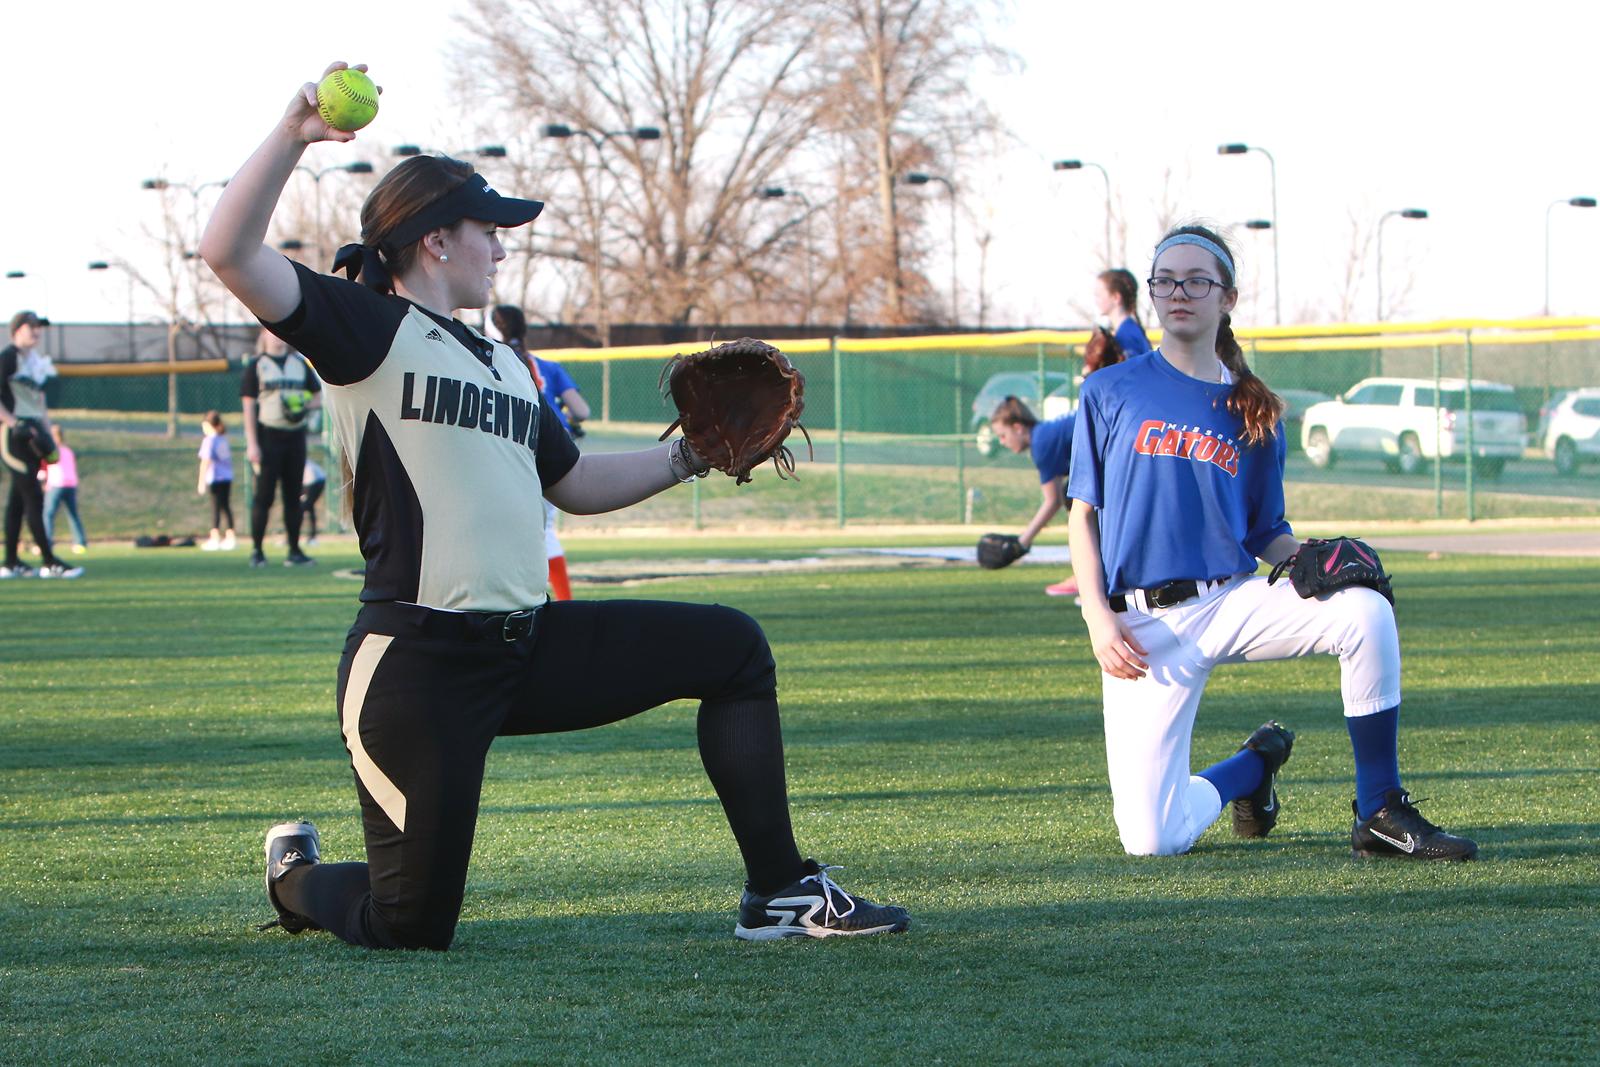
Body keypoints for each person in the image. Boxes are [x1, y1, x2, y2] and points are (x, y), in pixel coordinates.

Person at [198, 62, 908, 950]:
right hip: (416, 667)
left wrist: (690, 455)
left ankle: (780, 891)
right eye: (488, 228)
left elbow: (571, 484)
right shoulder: (366, 330)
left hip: (526, 644)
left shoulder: (502, 362)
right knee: (410, 922)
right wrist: (293, 134)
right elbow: (227, 251)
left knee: (732, 649)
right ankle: (296, 876)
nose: (502, 245)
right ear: (434, 242)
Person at [1066, 223, 1478, 861]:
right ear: (1151, 293)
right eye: (1166, 280)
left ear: (1227, 297)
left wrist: (1312, 561)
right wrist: (1096, 615)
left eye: (1198, 280)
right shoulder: (1108, 390)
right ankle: (1252, 768)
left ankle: (1379, 810)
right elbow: (1083, 515)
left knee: (1366, 612)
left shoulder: (1252, 410)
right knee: (1153, 839)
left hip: (1227, 602)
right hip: (1138, 629)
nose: (1180, 292)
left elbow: (1265, 534)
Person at [988, 327, 1124, 598]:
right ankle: (1099, 574)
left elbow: (1049, 503)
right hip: (1113, 443)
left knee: (1074, 499)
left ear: (1018, 427)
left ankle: (1093, 576)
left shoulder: (1041, 444)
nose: (1002, 442)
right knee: (1075, 497)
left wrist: (1022, 543)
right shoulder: (1042, 437)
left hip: (1116, 445)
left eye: (1003, 435)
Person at [490, 304, 590, 601]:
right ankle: (561, 600)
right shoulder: (548, 366)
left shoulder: (487, 363)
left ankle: (519, 599)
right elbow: (582, 411)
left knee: (503, 531)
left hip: (508, 455)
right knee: (543, 530)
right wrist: (565, 419)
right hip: (551, 454)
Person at [1, 311, 82, 579]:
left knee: (17, 502)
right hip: (14, 436)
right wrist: (13, 423)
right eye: (30, 326)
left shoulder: (34, 362)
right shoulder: (9, 357)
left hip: (34, 434)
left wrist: (48, 436)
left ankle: (11, 562)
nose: (36, 331)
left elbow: (40, 404)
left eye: (38, 327)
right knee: (33, 496)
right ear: (16, 330)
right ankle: (49, 561)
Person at [241, 327, 321, 567]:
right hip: (269, 436)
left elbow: (318, 396)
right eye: (271, 332)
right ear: (263, 336)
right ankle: (257, 550)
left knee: (293, 497)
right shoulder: (257, 365)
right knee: (264, 497)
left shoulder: (299, 363)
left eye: (279, 332)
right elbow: (248, 407)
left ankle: (294, 551)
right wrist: (252, 444)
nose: (277, 336)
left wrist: (302, 405)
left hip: (295, 436)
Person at [42, 425, 88, 555]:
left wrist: (45, 481)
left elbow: (47, 466)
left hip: (57, 484)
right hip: (71, 484)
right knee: (73, 514)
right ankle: (80, 542)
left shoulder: (51, 450)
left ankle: (46, 543)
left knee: (48, 514)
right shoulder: (68, 451)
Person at [197, 411, 238, 551]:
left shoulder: (209, 440)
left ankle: (215, 537)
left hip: (215, 478)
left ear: (208, 425)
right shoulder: (223, 439)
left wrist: (201, 480)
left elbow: (205, 461)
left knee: (215, 508)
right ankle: (231, 536)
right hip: (227, 477)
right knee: (226, 506)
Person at [1093, 268, 1153, 360]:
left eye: (1099, 295)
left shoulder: (1126, 335)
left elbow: (1134, 373)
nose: (1096, 301)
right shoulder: (1129, 329)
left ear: (1116, 297)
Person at [300, 457, 326, 546]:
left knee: (305, 507)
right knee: (305, 508)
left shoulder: (306, 467)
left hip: (315, 482)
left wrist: (304, 497)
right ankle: (311, 537)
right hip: (310, 482)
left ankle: (312, 537)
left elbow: (310, 481)